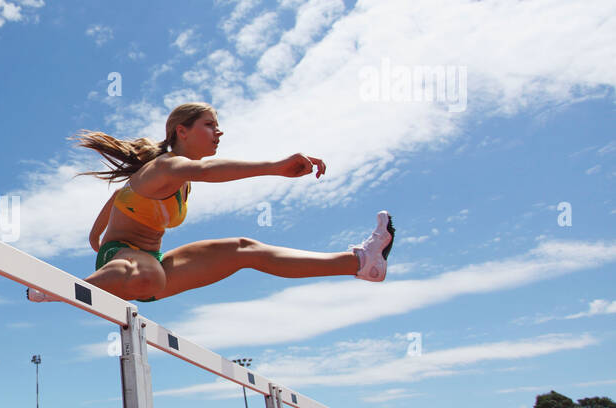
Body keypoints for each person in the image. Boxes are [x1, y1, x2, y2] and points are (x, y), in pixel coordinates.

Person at [28, 102, 394, 304]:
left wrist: (120, 224)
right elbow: (211, 171)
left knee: (244, 249)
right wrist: (275, 166)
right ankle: (66, 290)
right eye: (210, 125)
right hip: (125, 262)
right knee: (148, 274)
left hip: (152, 266)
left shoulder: (169, 180)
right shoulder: (167, 166)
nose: (219, 132)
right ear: (181, 132)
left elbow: (96, 231)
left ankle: (362, 263)